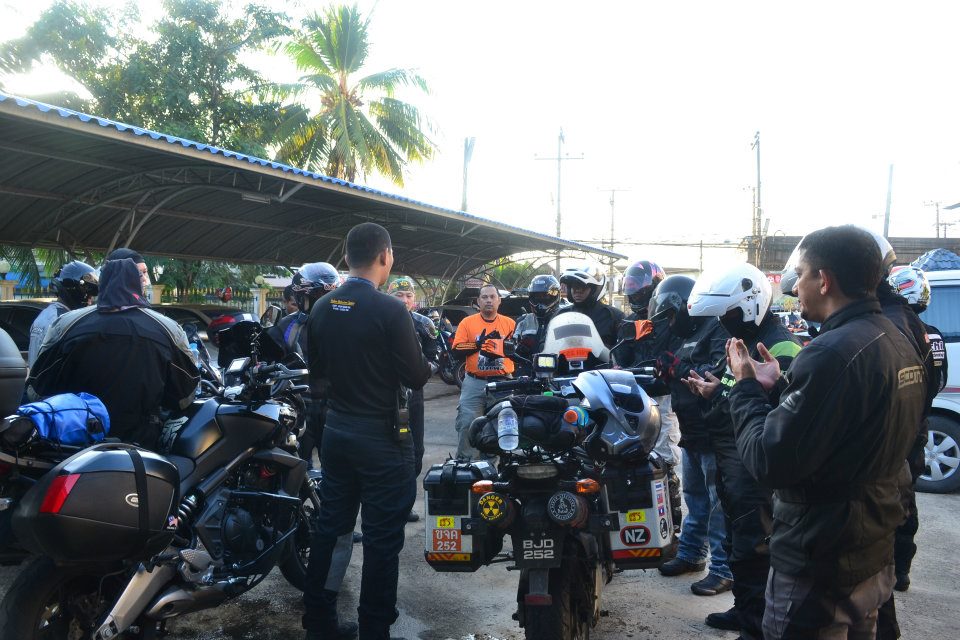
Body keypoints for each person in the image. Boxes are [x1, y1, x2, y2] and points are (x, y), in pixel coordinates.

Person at [725, 225, 925, 639]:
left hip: (821, 562)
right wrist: (778, 387)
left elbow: (768, 460)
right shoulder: (897, 337)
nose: (795, 288)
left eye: (801, 275)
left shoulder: (832, 352)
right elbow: (850, 428)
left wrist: (744, 387)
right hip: (870, 546)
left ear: (825, 279)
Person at [302, 222, 431, 640]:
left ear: (344, 259)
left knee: (331, 528)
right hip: (383, 438)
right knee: (381, 540)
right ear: (386, 257)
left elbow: (316, 380)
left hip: (337, 435)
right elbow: (415, 377)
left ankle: (318, 623)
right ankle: (374, 628)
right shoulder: (392, 310)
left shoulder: (321, 308)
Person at [683, 262, 802, 638]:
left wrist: (721, 393)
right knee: (737, 544)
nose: (723, 321)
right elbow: (741, 397)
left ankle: (756, 624)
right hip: (733, 460)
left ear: (750, 304)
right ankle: (744, 609)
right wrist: (716, 390)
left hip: (753, 468)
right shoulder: (740, 342)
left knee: (754, 549)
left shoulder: (778, 345)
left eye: (728, 313)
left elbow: (775, 412)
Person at [27, 258, 198, 448]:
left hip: (75, 445)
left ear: (102, 284)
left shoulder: (67, 324)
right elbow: (185, 395)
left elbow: (37, 390)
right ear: (137, 284)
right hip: (143, 446)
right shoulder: (167, 329)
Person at [646, 275, 734, 597]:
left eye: (670, 315)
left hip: (716, 435)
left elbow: (713, 375)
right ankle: (692, 554)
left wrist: (677, 368)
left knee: (717, 504)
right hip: (693, 434)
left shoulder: (716, 328)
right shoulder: (684, 336)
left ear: (684, 307)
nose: (669, 323)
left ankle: (724, 570)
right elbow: (674, 375)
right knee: (695, 500)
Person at [612, 260, 684, 556]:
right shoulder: (628, 322)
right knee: (625, 457)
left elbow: (678, 356)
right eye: (630, 285)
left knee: (664, 460)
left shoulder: (673, 320)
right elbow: (619, 358)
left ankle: (674, 529)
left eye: (637, 285)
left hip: (664, 397)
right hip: (634, 397)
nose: (633, 291)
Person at [884, 265, 947, 595]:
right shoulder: (932, 334)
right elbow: (938, 383)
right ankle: (902, 569)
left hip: (897, 430)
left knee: (893, 498)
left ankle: (894, 569)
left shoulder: (890, 329)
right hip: (918, 427)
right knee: (908, 500)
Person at [387, 276, 440, 523]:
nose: (405, 300)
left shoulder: (424, 324)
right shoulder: (379, 319)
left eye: (408, 296)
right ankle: (386, 502)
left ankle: (404, 505)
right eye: (399, 296)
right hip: (384, 395)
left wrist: (422, 370)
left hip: (413, 395)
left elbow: (436, 356)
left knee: (415, 453)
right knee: (387, 450)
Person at [451, 283, 516, 460]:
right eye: (484, 297)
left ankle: (497, 469)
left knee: (503, 426)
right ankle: (466, 466)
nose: (488, 300)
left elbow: (519, 352)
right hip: (474, 382)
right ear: (478, 301)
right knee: (467, 423)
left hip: (503, 383)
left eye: (492, 297)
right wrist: (478, 344)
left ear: (499, 300)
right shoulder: (468, 323)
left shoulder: (510, 324)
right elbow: (456, 350)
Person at [27, 260, 98, 368]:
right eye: (88, 294)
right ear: (74, 288)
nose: (90, 300)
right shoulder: (54, 320)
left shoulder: (61, 316)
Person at [557, 262, 625, 347]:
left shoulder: (614, 316)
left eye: (582, 286)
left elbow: (624, 350)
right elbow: (547, 343)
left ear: (595, 288)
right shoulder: (561, 315)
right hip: (565, 360)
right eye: (574, 286)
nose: (577, 290)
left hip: (601, 360)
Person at [513, 274, 562, 376]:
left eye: (545, 296)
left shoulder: (565, 319)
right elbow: (513, 349)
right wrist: (517, 349)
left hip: (558, 374)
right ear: (532, 297)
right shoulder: (523, 321)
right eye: (537, 296)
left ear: (555, 296)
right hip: (528, 376)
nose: (541, 299)